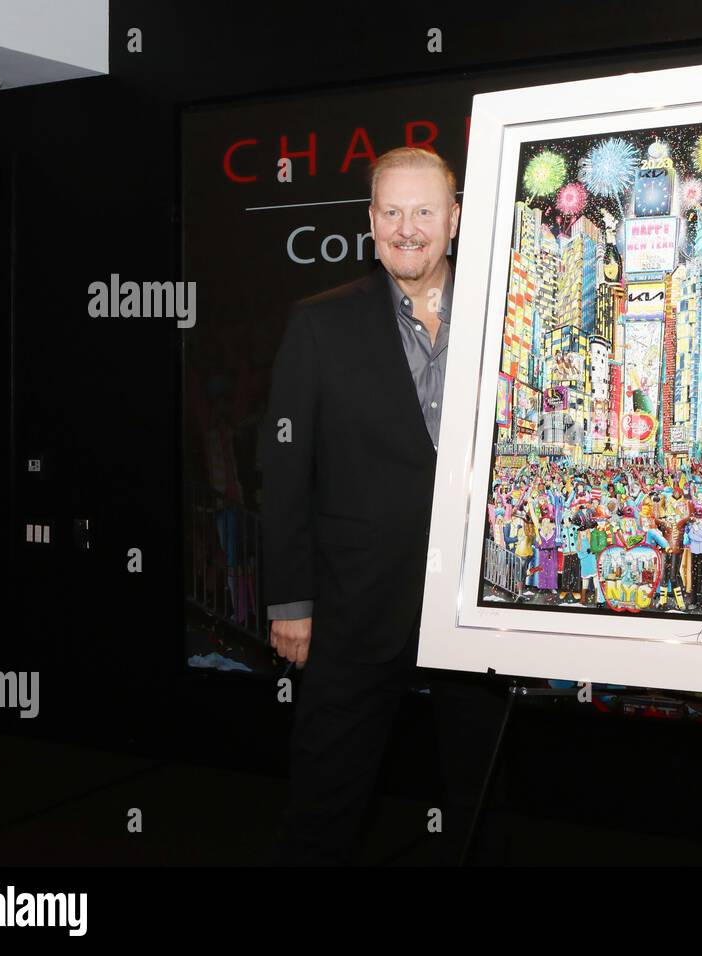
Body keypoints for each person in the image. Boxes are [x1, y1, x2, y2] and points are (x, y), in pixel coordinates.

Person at [262, 147, 504, 865]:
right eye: (392, 212)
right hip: (352, 604)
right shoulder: (319, 324)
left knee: (483, 793)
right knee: (325, 805)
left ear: (454, 219)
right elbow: (284, 468)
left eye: (424, 211)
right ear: (371, 222)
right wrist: (289, 602)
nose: (408, 228)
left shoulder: (507, 321)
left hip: (476, 600)